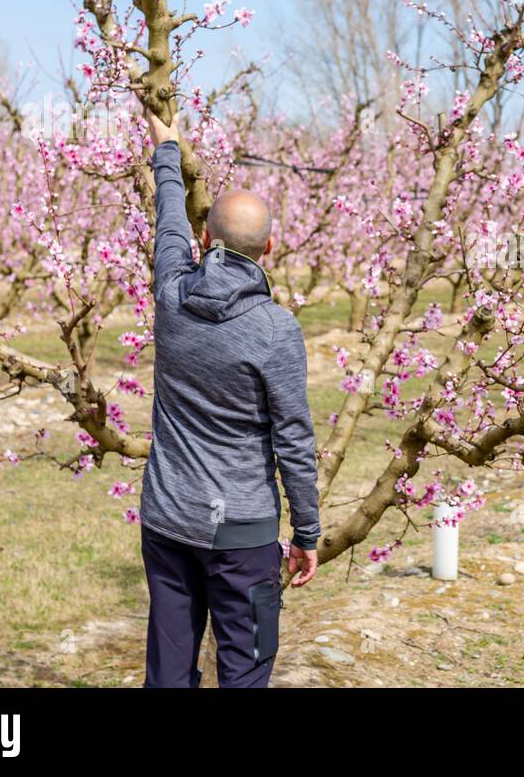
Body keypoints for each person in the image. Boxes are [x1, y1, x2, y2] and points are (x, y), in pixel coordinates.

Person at [139, 110, 320, 688]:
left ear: (205, 241)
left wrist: (166, 150)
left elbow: (168, 222)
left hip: (168, 521)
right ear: (270, 247)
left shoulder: (171, 294)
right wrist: (308, 535)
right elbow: (294, 441)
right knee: (247, 669)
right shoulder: (276, 330)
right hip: (243, 536)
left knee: (168, 672)